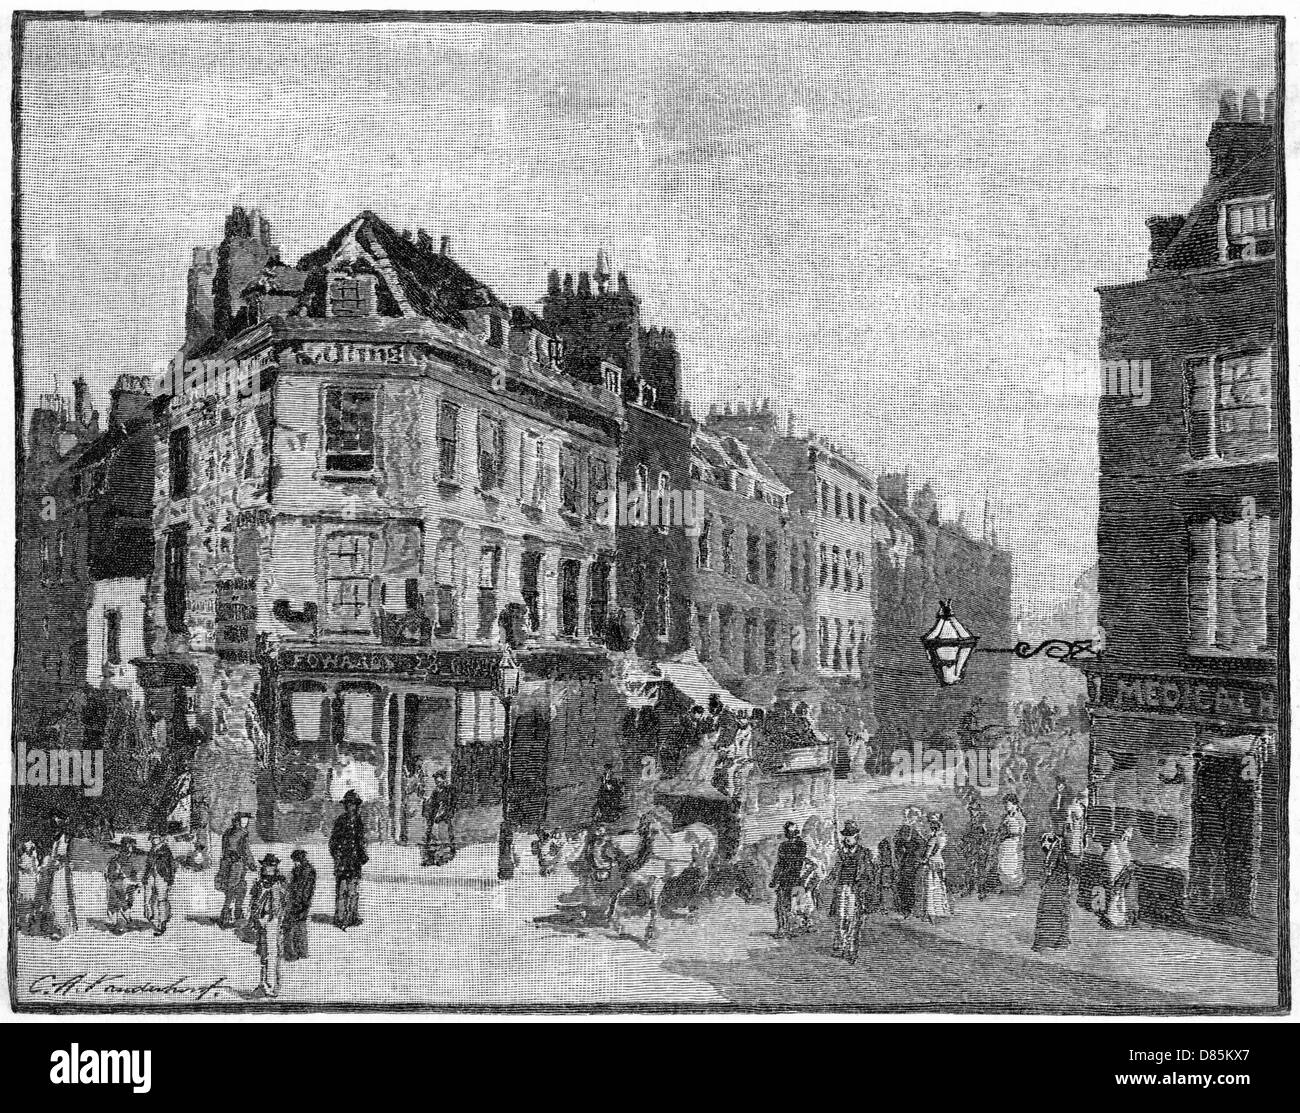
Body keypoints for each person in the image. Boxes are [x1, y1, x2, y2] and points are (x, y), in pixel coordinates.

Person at [830, 821, 874, 963]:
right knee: (841, 917)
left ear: (856, 836)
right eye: (846, 835)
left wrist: (864, 887)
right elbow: (835, 870)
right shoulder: (840, 853)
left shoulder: (864, 853)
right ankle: (841, 945)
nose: (847, 838)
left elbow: (869, 873)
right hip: (842, 888)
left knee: (853, 919)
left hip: (856, 891)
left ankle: (851, 949)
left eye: (850, 835)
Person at [36, 811, 79, 940]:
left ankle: (61, 927)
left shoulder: (67, 838)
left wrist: (60, 862)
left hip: (61, 872)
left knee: (60, 896)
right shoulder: (51, 837)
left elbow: (68, 857)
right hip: (49, 870)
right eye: (55, 821)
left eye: (59, 821)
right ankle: (48, 925)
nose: (56, 824)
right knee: (47, 895)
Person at [248, 854, 287, 997]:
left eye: (270, 866)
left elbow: (281, 903)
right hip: (261, 921)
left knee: (272, 953)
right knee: (263, 953)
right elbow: (253, 901)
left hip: (273, 920)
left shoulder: (279, 883)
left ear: (275, 867)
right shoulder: (259, 882)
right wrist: (254, 917)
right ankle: (263, 983)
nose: (267, 868)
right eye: (265, 865)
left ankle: (272, 986)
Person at [329, 789, 368, 929]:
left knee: (353, 891)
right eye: (349, 804)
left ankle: (352, 916)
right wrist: (338, 856)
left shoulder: (358, 821)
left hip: (355, 862)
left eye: (354, 804)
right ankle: (340, 917)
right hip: (343, 861)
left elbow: (361, 841)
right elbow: (333, 841)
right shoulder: (341, 821)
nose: (352, 807)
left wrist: (363, 855)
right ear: (346, 806)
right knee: (342, 890)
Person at [1032, 832, 1072, 951]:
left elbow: (1050, 871)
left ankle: (1052, 940)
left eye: (1047, 841)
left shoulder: (1056, 853)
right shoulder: (1054, 853)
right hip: (1055, 887)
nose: (1044, 844)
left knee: (1053, 911)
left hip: (1056, 887)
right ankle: (1050, 940)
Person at [215, 812, 256, 928]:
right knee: (236, 888)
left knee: (234, 888)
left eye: (247, 820)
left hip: (227, 864)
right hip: (236, 866)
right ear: (238, 821)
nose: (246, 822)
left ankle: (230, 913)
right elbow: (245, 850)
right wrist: (251, 863)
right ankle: (232, 913)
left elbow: (224, 850)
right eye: (244, 820)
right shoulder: (242, 834)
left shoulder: (228, 832)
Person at [769, 820, 810, 938]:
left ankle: (790, 928)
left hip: (795, 878)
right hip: (784, 879)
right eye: (789, 831)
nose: (791, 834)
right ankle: (783, 928)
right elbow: (780, 863)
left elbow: (797, 861)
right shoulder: (783, 845)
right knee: (780, 906)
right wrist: (775, 879)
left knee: (793, 905)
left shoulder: (801, 845)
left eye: (793, 831)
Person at [918, 812, 952, 923]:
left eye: (931, 823)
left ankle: (930, 913)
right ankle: (939, 911)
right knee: (938, 886)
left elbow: (929, 854)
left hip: (932, 863)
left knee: (930, 887)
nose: (929, 825)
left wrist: (922, 860)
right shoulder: (943, 836)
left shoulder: (935, 837)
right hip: (939, 862)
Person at [284, 848, 316, 961]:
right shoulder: (304, 869)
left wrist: (298, 902)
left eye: (295, 860)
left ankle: (292, 954)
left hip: (298, 903)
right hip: (301, 903)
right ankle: (301, 952)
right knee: (299, 927)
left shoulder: (304, 871)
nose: (294, 863)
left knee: (292, 927)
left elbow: (303, 890)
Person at [142, 831, 175, 936]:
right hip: (152, 875)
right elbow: (148, 864)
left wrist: (170, 880)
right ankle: (155, 917)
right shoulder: (152, 850)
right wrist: (145, 876)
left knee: (161, 899)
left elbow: (171, 866)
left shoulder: (166, 850)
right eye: (152, 838)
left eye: (155, 838)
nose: (152, 840)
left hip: (162, 876)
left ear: (160, 838)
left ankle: (162, 923)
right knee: (151, 897)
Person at [893, 807, 925, 917]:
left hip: (913, 861)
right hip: (908, 861)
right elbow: (899, 844)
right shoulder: (907, 828)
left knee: (911, 885)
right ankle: (905, 909)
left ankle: (910, 909)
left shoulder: (914, 829)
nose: (916, 819)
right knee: (906, 884)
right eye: (915, 816)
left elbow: (921, 844)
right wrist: (903, 858)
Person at [422, 769, 457, 866]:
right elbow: (433, 804)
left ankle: (444, 857)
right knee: (433, 836)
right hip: (436, 817)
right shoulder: (436, 791)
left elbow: (451, 804)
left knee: (444, 837)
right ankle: (432, 857)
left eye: (439, 780)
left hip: (444, 817)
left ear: (444, 779)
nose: (437, 782)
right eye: (436, 781)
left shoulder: (449, 790)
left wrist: (445, 814)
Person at [1101, 827, 1134, 930]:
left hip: (1120, 872)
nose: (1127, 838)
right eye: (1127, 836)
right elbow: (1121, 860)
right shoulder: (1115, 848)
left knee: (1118, 894)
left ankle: (1117, 918)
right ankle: (1114, 919)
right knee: (1116, 894)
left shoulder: (1118, 847)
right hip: (1118, 872)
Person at [105, 836, 139, 935]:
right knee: (115, 903)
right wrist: (124, 880)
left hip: (127, 885)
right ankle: (116, 923)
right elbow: (112, 875)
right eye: (130, 846)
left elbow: (132, 873)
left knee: (127, 902)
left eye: (132, 846)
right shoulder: (116, 860)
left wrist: (135, 882)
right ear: (126, 846)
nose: (132, 849)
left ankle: (125, 920)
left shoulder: (128, 859)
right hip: (118, 885)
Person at [959, 801, 994, 899]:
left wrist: (984, 847)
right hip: (971, 849)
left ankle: (981, 891)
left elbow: (989, 835)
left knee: (981, 870)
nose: (971, 812)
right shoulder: (971, 821)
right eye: (970, 810)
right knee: (969, 869)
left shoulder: (984, 820)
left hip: (980, 849)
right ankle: (968, 888)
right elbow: (966, 834)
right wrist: (963, 843)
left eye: (973, 810)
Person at [996, 794, 1027, 893]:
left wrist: (1019, 842)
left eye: (1008, 804)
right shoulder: (1006, 816)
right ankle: (1005, 885)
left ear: (1014, 805)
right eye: (1005, 804)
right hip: (1005, 843)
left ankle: (1016, 886)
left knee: (1014, 864)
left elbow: (1022, 832)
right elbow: (1001, 829)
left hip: (1014, 843)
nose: (1006, 806)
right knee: (1004, 863)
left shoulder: (1020, 817)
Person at [17, 839, 40, 931]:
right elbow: (23, 867)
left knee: (30, 901)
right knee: (23, 900)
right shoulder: (24, 857)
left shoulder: (33, 857)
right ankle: (22, 920)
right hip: (25, 881)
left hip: (30, 882)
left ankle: (29, 919)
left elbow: (35, 868)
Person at [1063, 796, 1087, 861]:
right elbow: (1068, 817)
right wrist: (1070, 823)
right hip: (1074, 826)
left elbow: (1084, 818)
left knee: (1080, 839)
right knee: (1073, 839)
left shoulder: (1083, 807)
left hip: (1079, 827)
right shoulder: (1070, 807)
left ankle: (1079, 856)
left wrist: (1084, 824)